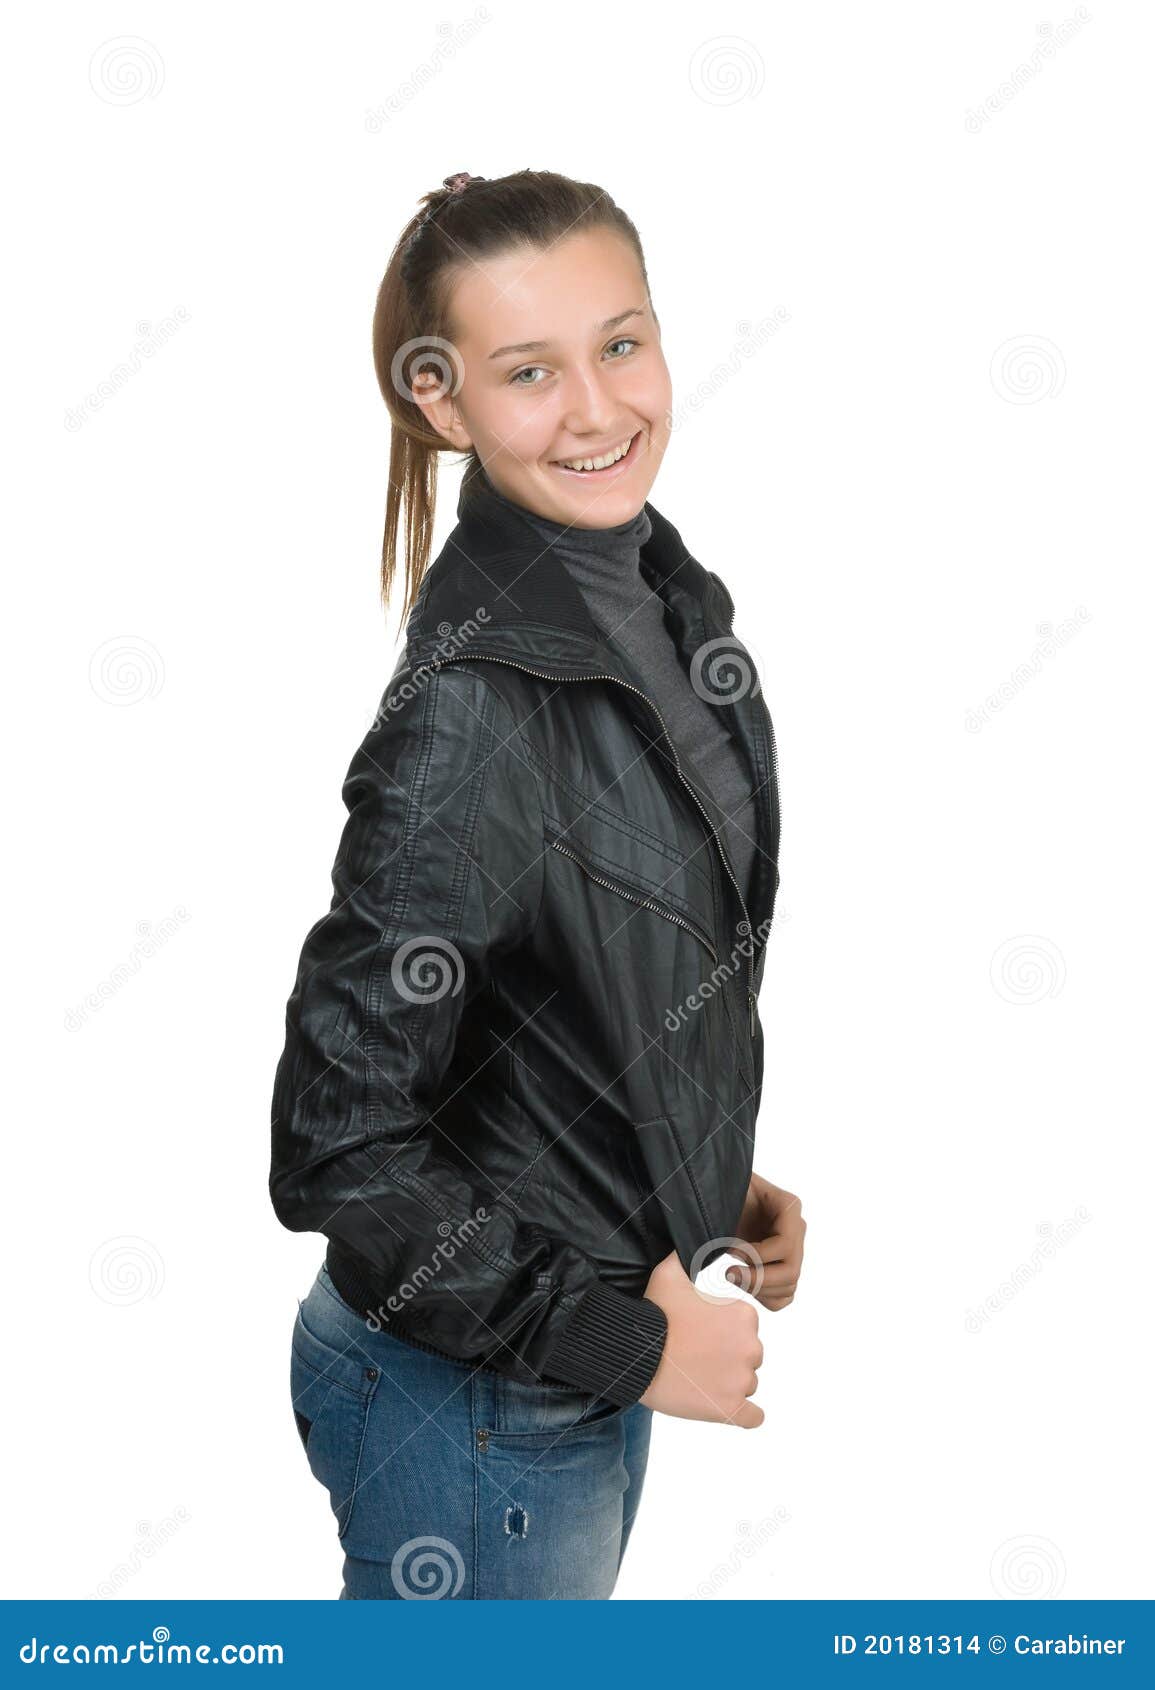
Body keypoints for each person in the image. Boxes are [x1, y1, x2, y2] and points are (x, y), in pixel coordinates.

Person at [269, 168, 805, 1601]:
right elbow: (339, 1141)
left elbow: (570, 973)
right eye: (526, 371)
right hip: (473, 1405)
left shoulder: (661, 595)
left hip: (544, 1367)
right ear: (441, 403)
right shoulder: (472, 706)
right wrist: (635, 1341)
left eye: (620, 342)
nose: (596, 407)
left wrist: (693, 1180)